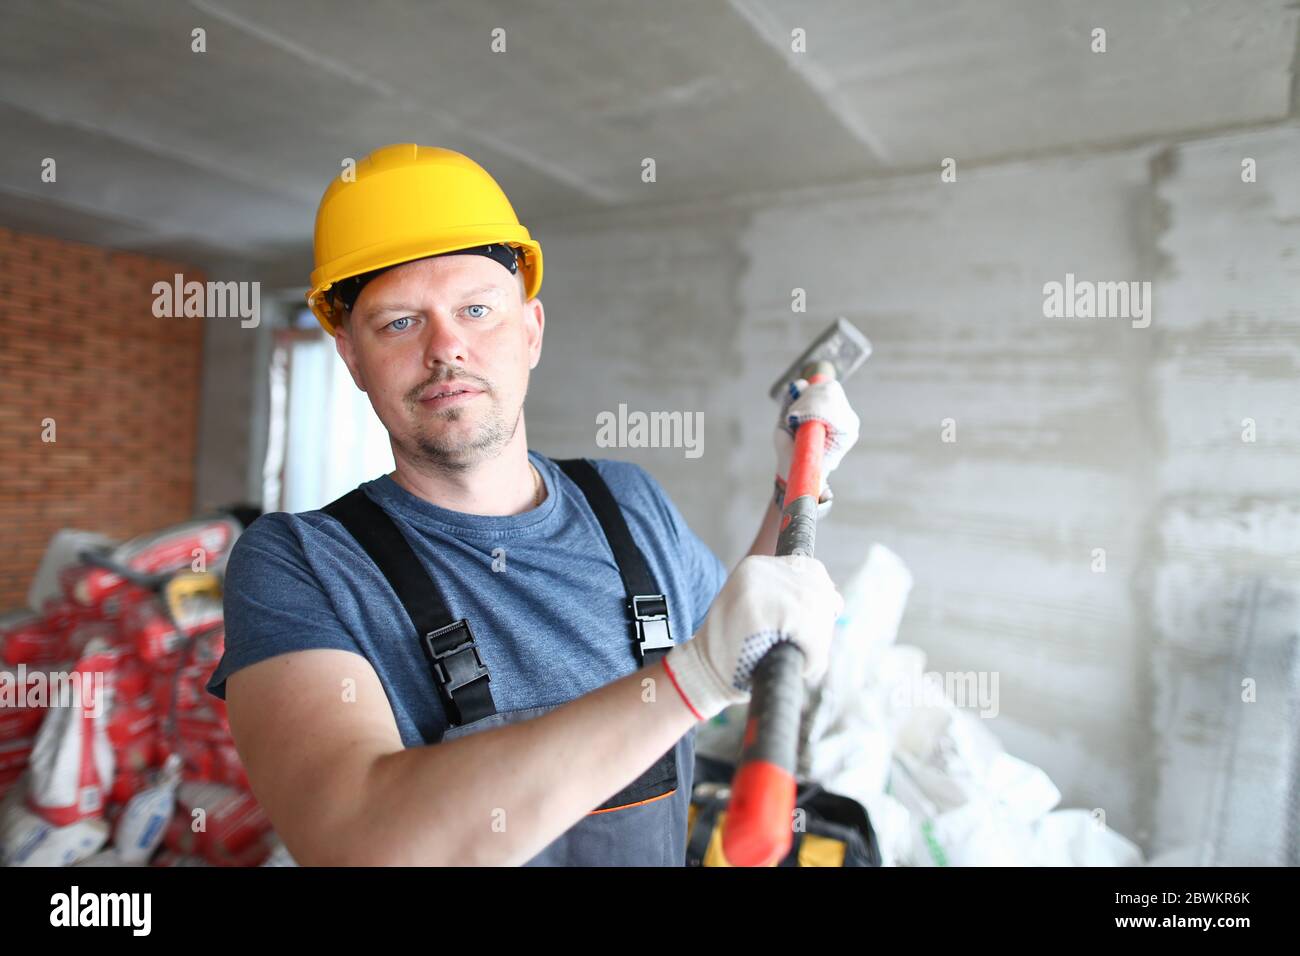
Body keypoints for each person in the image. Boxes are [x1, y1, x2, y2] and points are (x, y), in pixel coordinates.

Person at [205, 143, 861, 866]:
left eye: (477, 309)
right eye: (398, 322)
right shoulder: (299, 563)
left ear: (531, 331)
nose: (446, 347)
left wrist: (791, 488)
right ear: (352, 359)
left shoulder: (628, 502)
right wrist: (691, 678)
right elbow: (357, 836)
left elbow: (739, 643)